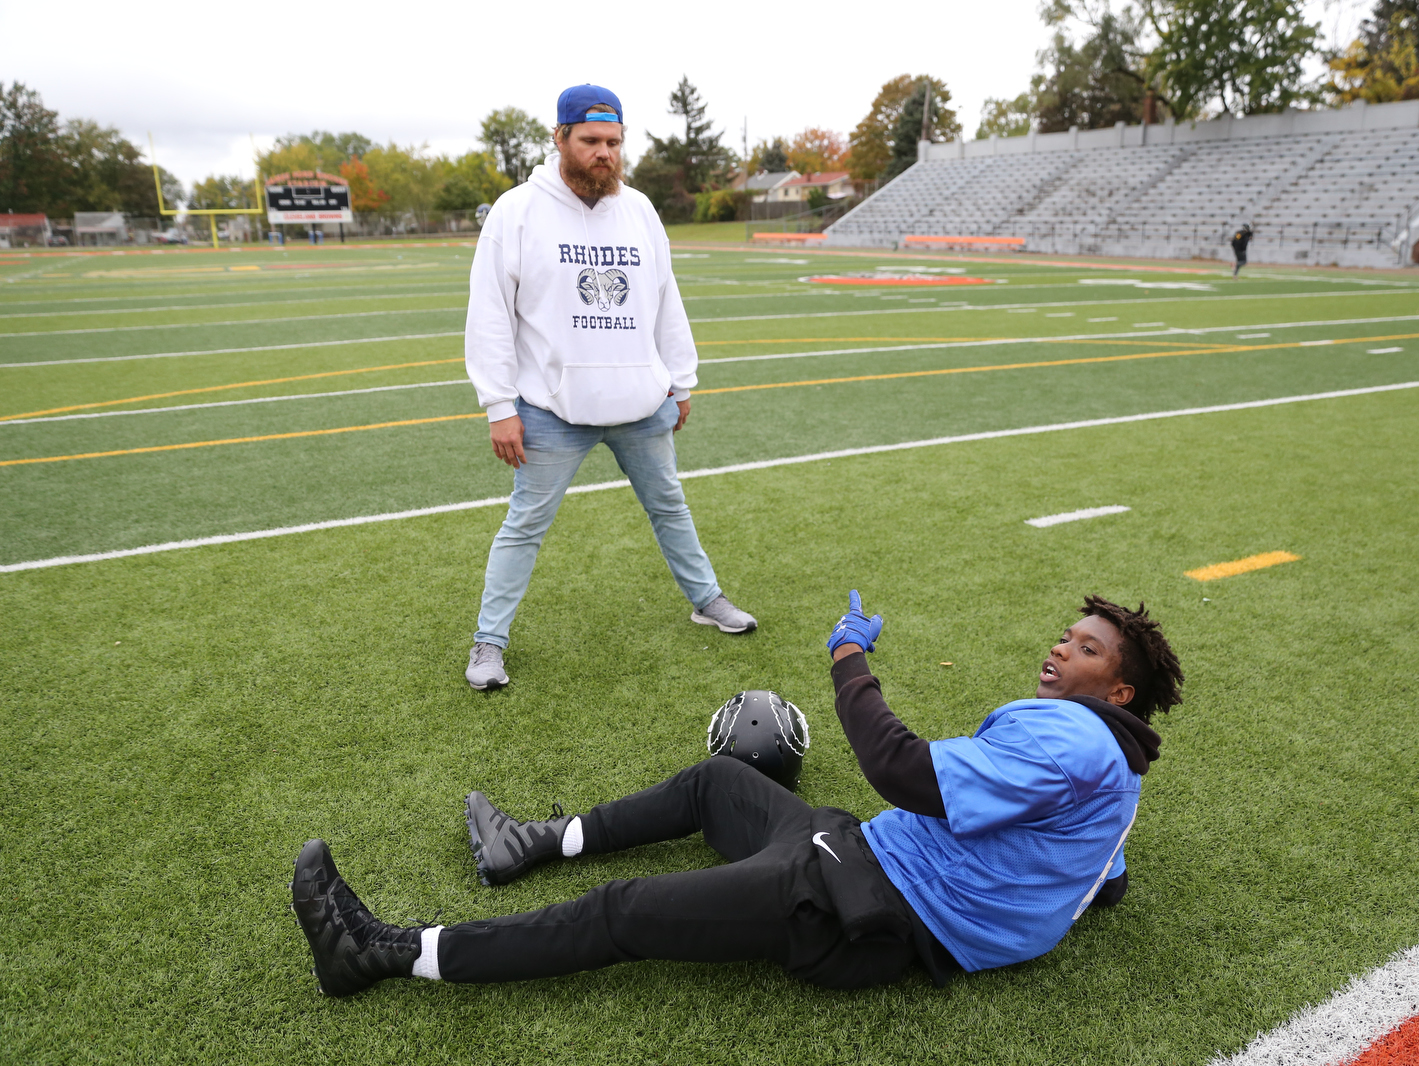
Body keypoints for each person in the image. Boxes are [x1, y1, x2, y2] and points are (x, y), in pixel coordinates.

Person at [290, 591, 1185, 995]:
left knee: (625, 913)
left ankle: (387, 954)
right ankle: (536, 842)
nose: (1062, 649)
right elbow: (1105, 879)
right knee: (722, 781)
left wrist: (848, 660)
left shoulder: (1073, 738)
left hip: (867, 910)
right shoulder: (1116, 771)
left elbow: (902, 771)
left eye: (1088, 649)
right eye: (1067, 636)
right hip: (866, 858)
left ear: (1118, 694)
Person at [462, 83, 756, 692]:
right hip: (550, 409)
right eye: (591, 141)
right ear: (560, 139)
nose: (604, 153)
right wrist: (498, 404)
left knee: (670, 505)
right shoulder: (517, 211)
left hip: (641, 404)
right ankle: (489, 643)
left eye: (614, 142)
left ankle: (707, 599)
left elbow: (665, 302)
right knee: (524, 526)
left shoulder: (640, 210)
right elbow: (489, 313)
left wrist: (681, 381)